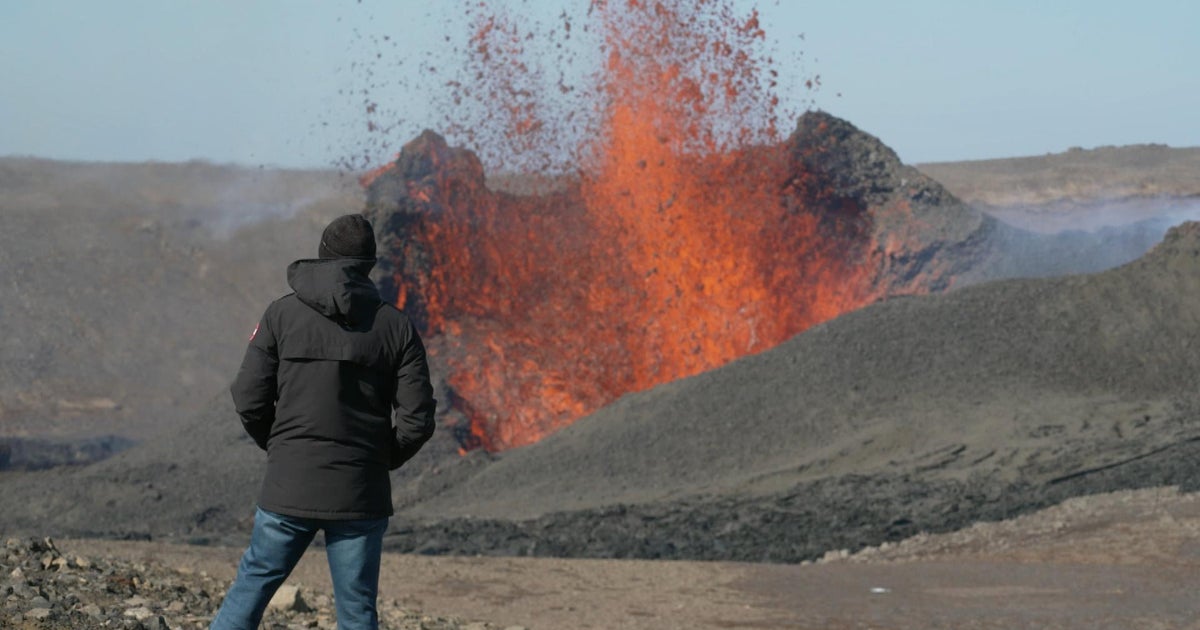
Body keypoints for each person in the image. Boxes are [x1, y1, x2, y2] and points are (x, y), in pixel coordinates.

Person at [210, 214, 436, 629]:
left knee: (250, 591)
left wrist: (282, 447)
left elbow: (248, 397)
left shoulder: (280, 316)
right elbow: (417, 419)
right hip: (359, 492)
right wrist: (378, 458)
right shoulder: (396, 327)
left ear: (322, 255)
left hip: (289, 485)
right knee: (356, 609)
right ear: (368, 264)